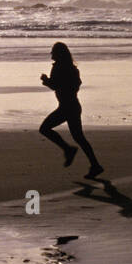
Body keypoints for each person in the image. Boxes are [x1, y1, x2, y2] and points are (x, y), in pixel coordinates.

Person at [38, 41, 104, 178]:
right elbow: (74, 85)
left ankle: (68, 149)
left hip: (66, 107)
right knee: (79, 137)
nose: (51, 53)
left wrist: (45, 80)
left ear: (58, 53)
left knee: (44, 129)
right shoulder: (73, 68)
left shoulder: (58, 67)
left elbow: (56, 86)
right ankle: (95, 165)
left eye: (53, 51)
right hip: (74, 105)